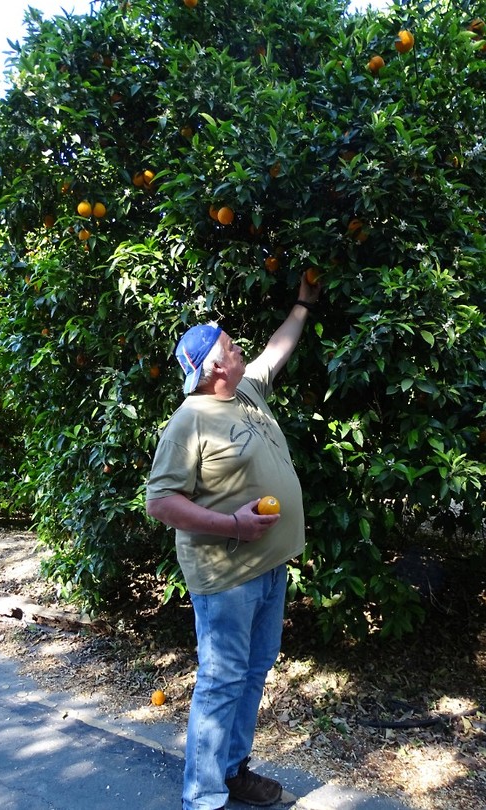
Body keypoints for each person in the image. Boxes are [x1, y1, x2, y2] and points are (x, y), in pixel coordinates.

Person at [146, 273, 320, 810]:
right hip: (226, 578)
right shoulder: (188, 422)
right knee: (222, 681)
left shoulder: (245, 389)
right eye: (229, 344)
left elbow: (276, 349)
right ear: (215, 367)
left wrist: (302, 305)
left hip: (269, 567)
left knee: (255, 670)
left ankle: (233, 769)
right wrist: (235, 526)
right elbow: (161, 502)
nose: (238, 345)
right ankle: (203, 796)